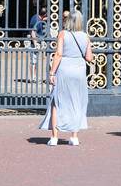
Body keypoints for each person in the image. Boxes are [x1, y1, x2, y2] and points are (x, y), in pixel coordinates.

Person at [38, 10, 93, 146]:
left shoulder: (63, 34)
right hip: (79, 70)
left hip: (65, 69)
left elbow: (58, 54)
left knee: (57, 102)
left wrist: (52, 72)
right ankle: (74, 136)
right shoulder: (85, 36)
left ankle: (55, 137)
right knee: (76, 102)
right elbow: (89, 57)